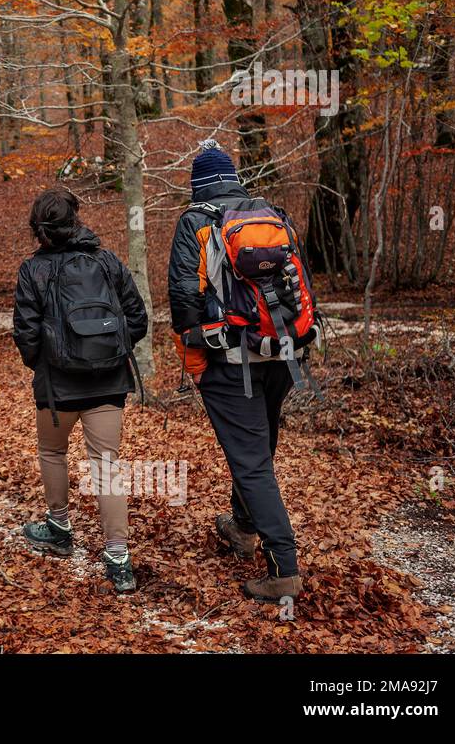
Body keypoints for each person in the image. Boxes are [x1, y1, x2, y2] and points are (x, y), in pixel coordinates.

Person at [167, 139, 304, 603]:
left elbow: (184, 304)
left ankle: (284, 568)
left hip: (229, 361)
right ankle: (243, 527)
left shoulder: (196, 223)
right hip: (283, 354)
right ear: (234, 177)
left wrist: (198, 363)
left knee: (251, 460)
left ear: (198, 183)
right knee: (259, 445)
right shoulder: (272, 215)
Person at [11, 186, 149, 594]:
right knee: (107, 466)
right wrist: (111, 352)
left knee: (53, 451)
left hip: (57, 388)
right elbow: (137, 317)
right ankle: (119, 559)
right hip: (108, 384)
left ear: (39, 228)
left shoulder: (31, 269)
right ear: (76, 219)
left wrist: (43, 363)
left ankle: (58, 527)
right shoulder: (106, 261)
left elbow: (26, 333)